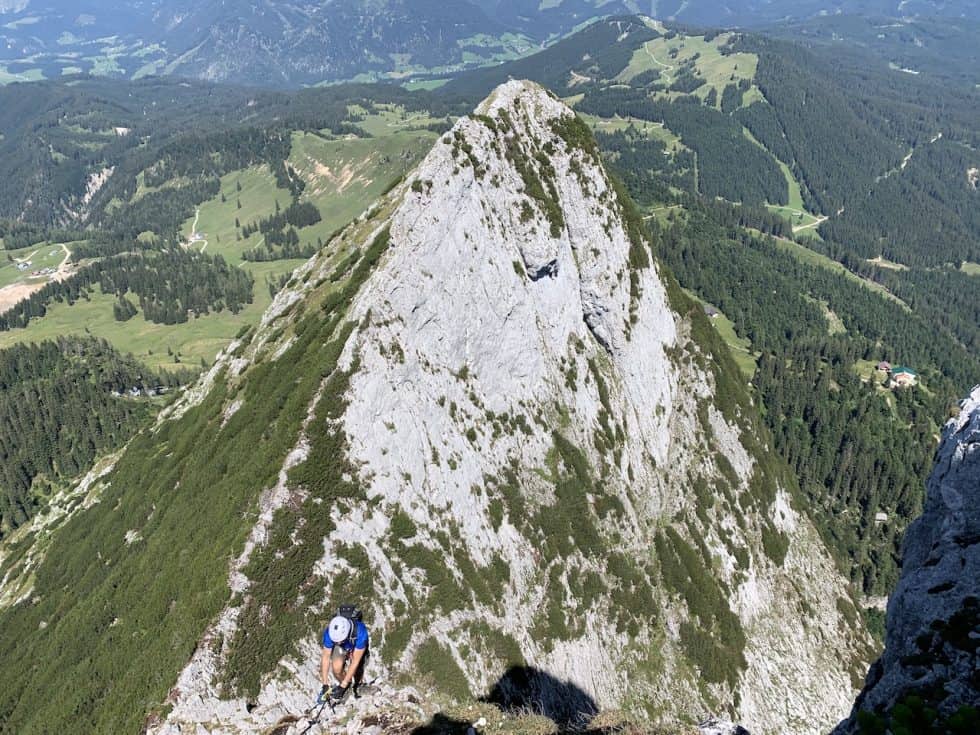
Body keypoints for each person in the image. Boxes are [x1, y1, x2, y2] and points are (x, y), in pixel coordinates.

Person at [319, 606, 369, 703]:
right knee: (336, 668)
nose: (337, 642)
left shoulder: (361, 633)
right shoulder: (329, 633)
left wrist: (343, 686)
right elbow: (326, 657)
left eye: (339, 640)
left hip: (356, 644)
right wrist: (325, 684)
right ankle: (347, 687)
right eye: (335, 641)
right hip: (343, 646)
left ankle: (358, 685)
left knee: (358, 667)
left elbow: (355, 661)